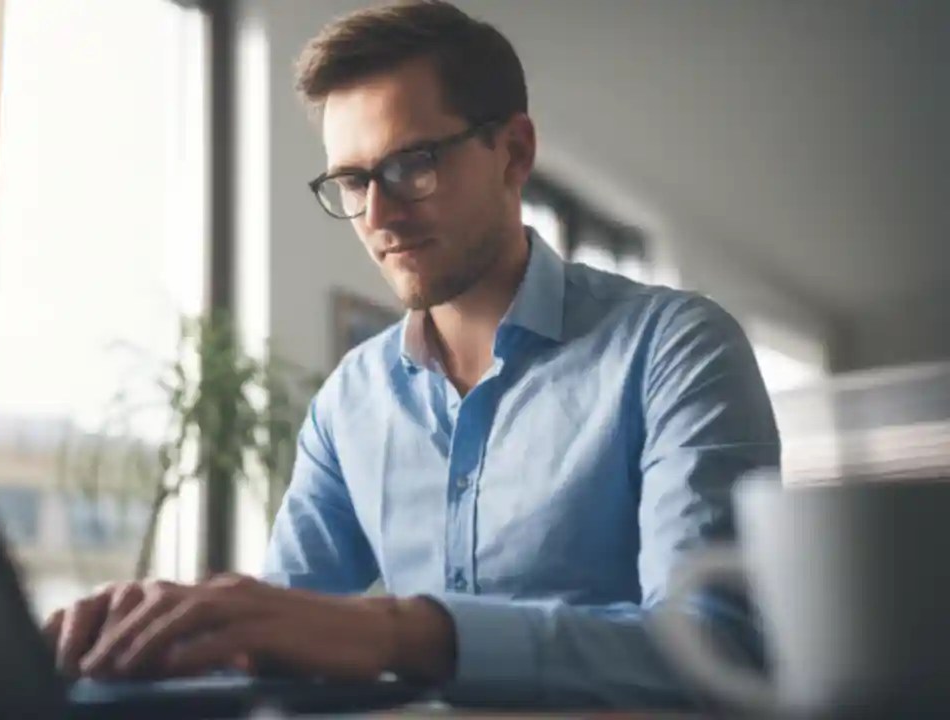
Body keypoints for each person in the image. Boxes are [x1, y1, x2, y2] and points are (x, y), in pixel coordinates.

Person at [45, 0, 778, 708]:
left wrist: (408, 632)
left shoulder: (674, 348)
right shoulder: (349, 403)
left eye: (411, 165)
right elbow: (283, 627)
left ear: (514, 152)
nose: (378, 215)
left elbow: (715, 650)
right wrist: (167, 634)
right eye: (352, 181)